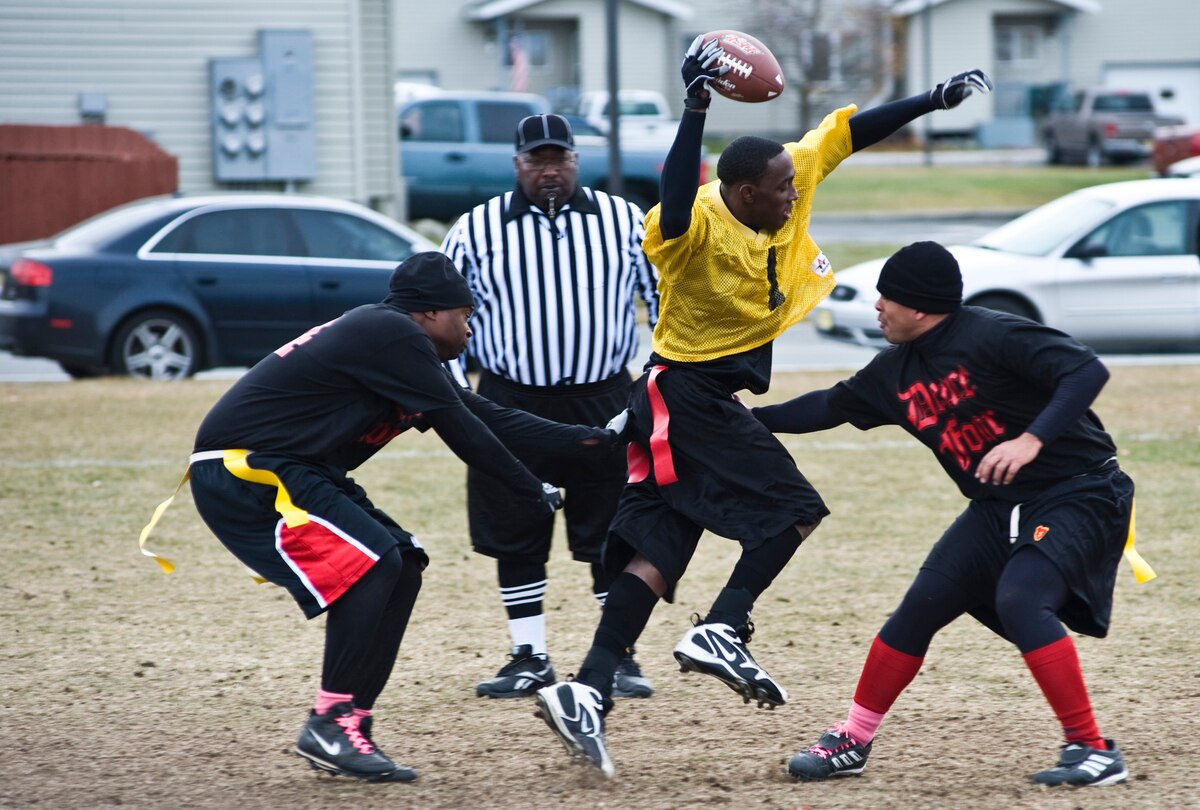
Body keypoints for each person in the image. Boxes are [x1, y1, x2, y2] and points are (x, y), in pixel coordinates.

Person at [531, 35, 992, 777]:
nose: (793, 193)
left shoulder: (789, 176)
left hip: (690, 401)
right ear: (745, 194)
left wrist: (931, 101)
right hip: (685, 391)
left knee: (659, 548)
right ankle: (722, 626)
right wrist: (694, 106)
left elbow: (841, 137)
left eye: (790, 184)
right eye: (779, 189)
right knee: (794, 510)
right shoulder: (696, 228)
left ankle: (587, 688)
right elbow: (677, 196)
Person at [177, 252, 622, 783]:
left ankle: (351, 723)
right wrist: (530, 488)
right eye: (465, 314)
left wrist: (591, 440)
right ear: (431, 313)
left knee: (403, 564)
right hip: (247, 471)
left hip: (293, 468)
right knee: (374, 564)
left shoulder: (400, 347)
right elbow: (465, 433)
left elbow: (487, 415)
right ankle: (330, 720)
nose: (469, 327)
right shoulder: (390, 332)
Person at [755, 241, 1147, 788]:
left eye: (885, 298)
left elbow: (1085, 371)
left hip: (1077, 489)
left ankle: (1092, 750)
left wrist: (1031, 440)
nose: (877, 308)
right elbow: (828, 406)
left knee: (1020, 598)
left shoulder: (993, 333)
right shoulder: (895, 369)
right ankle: (853, 739)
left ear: (918, 307)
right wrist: (745, 420)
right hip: (994, 503)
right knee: (920, 608)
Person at [440, 113, 660, 701]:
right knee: (514, 528)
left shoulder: (624, 220)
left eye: (559, 158)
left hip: (606, 398)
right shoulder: (475, 230)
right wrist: (458, 398)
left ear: (576, 161)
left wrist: (659, 377)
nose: (549, 170)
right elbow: (439, 317)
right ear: (517, 164)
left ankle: (616, 654)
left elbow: (665, 295)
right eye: (536, 160)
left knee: (614, 530)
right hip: (511, 400)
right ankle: (529, 655)